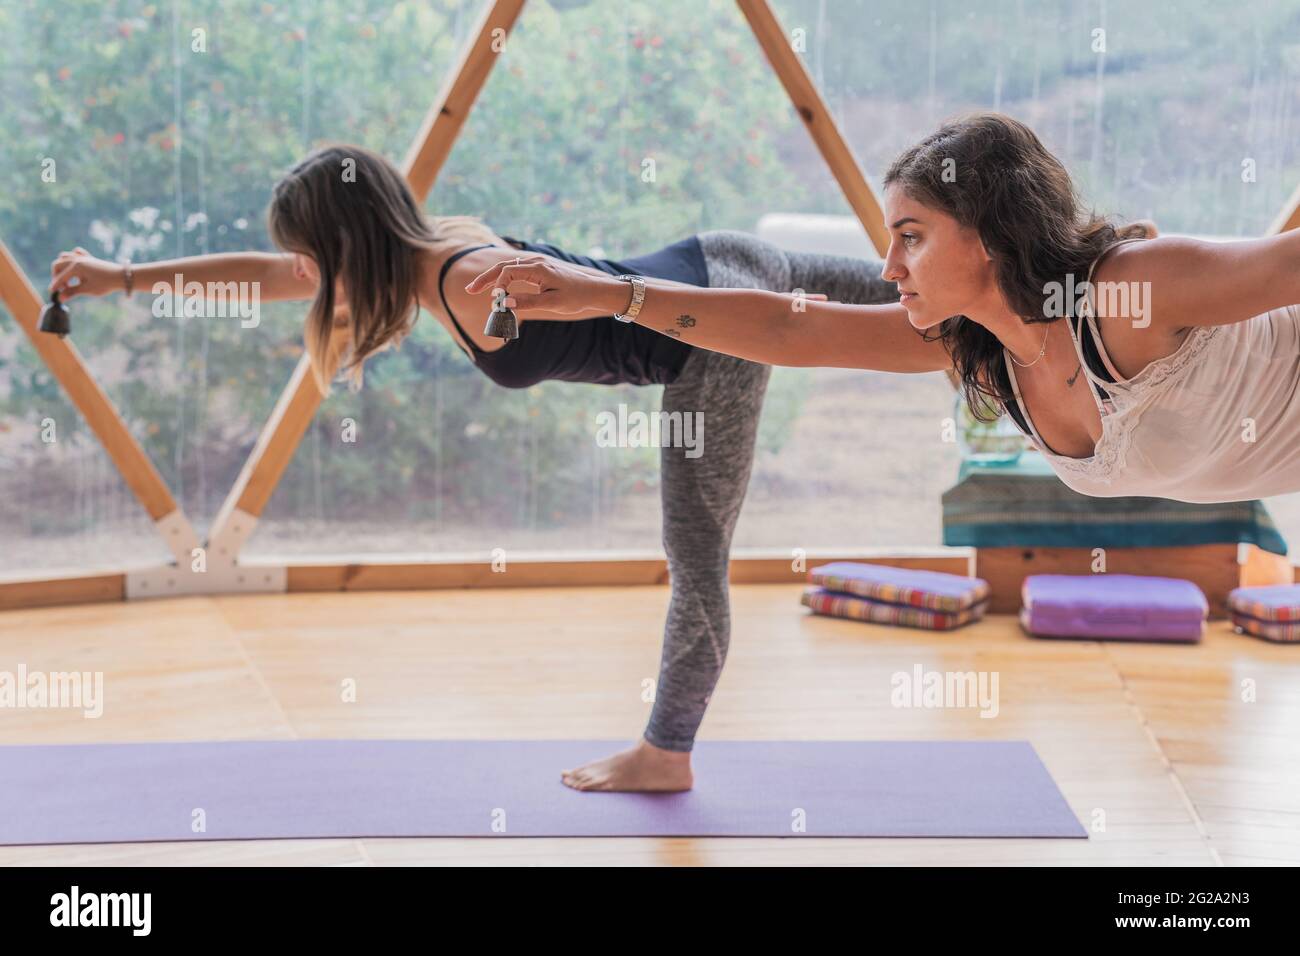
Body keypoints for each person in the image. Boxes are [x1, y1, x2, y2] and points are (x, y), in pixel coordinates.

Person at [47, 143, 901, 792]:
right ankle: (1020, 303)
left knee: (696, 550)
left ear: (348, 245)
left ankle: (664, 753)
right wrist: (122, 276)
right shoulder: (429, 251)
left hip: (707, 342)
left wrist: (512, 303)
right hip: (720, 257)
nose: (306, 277)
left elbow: (547, 290)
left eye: (315, 256)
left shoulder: (468, 275)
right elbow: (274, 276)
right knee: (935, 314)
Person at [466, 111, 1300, 506]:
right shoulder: (981, 347)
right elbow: (794, 328)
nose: (887, 265)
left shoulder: (1130, 292)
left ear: (990, 234)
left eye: (911, 235)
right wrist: (613, 295)